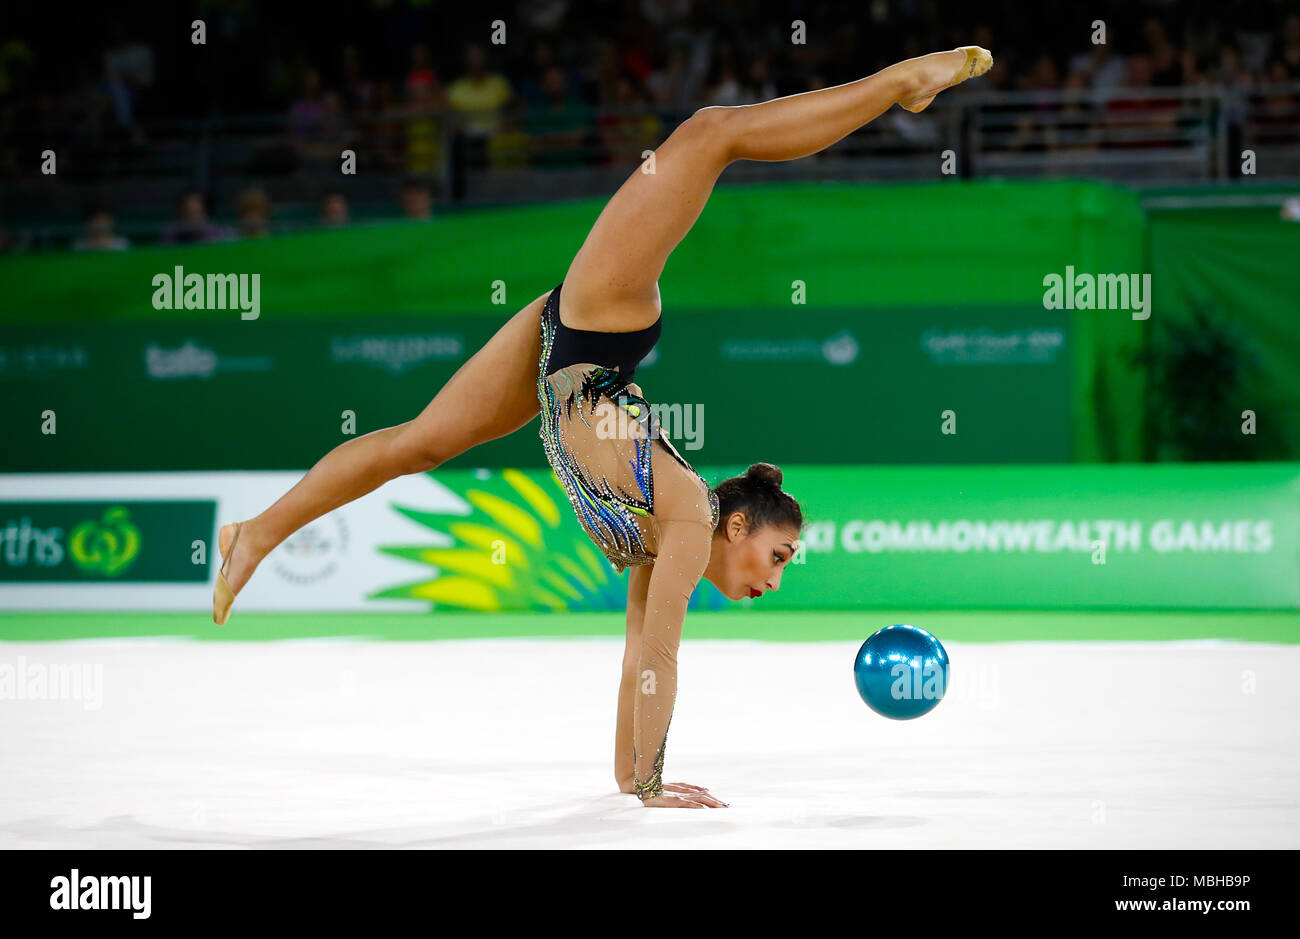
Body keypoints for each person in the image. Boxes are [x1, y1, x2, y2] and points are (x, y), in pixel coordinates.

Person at [212, 47, 993, 807]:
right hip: (601, 329)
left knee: (418, 441)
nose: (774, 577)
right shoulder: (686, 515)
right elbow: (661, 651)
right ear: (739, 523)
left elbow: (634, 660)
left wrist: (633, 779)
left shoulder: (662, 533)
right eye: (777, 554)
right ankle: (899, 83)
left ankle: (254, 533)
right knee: (710, 132)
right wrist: (655, 786)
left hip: (563, 349)